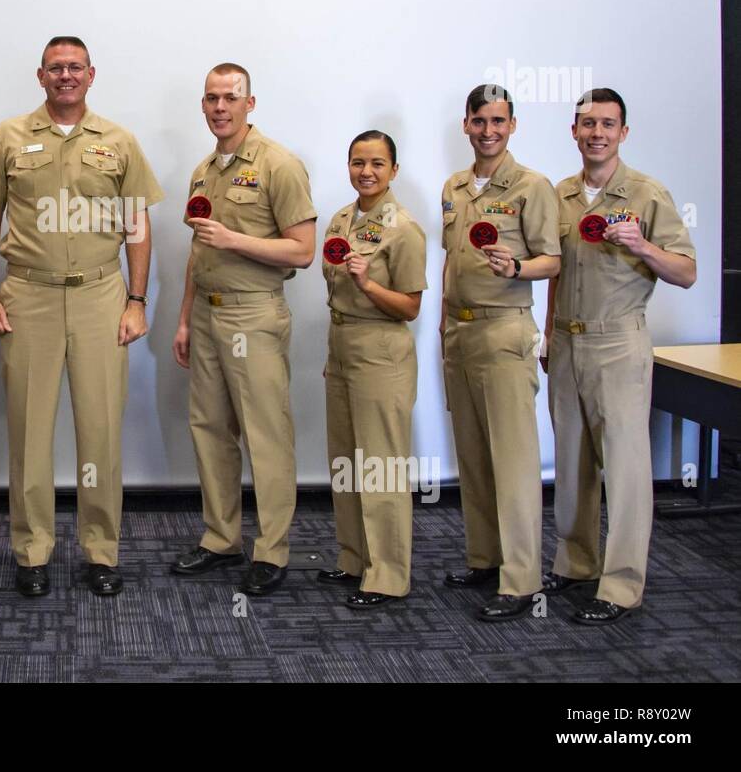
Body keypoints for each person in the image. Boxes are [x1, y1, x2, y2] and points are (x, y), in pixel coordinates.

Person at [0, 36, 164, 597]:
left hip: (102, 296)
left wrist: (137, 300)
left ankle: (101, 552)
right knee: (29, 432)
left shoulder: (119, 141)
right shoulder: (8, 137)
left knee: (100, 429)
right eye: (56, 68)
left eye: (75, 67)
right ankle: (32, 553)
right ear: (40, 75)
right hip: (28, 296)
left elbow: (137, 226)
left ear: (92, 74)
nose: (66, 75)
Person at [543, 88, 696, 624]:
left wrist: (644, 248)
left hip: (618, 342)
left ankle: (621, 584)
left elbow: (686, 272)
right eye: (587, 124)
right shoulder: (558, 195)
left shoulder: (646, 194)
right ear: (574, 131)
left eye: (607, 124)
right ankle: (576, 561)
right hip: (566, 340)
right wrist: (547, 336)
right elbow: (555, 274)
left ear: (623, 133)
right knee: (571, 461)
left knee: (626, 470)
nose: (597, 133)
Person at [170, 63, 316, 596]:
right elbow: (197, 249)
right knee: (209, 429)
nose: (219, 108)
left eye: (230, 98)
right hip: (208, 315)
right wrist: (185, 318)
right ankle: (220, 537)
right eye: (211, 99)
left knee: (265, 434)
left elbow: (303, 251)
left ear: (250, 103)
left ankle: (272, 549)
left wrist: (236, 240)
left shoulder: (279, 164)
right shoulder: (205, 170)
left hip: (253, 313)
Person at [441, 84, 560, 622]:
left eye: (499, 121)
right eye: (479, 121)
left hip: (504, 332)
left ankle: (521, 579)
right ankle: (485, 558)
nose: (489, 131)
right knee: (473, 455)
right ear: (465, 124)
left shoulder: (532, 186)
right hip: (461, 333)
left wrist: (517, 267)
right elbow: (451, 261)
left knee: (512, 460)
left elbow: (552, 260)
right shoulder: (455, 187)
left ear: (513, 126)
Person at [318, 130, 425, 607]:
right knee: (345, 461)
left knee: (380, 466)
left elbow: (410, 307)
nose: (367, 172)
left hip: (381, 349)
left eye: (378, 164)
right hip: (341, 345)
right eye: (358, 162)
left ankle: (388, 574)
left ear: (394, 171)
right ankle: (353, 558)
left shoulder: (404, 228)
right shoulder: (341, 219)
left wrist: (367, 284)